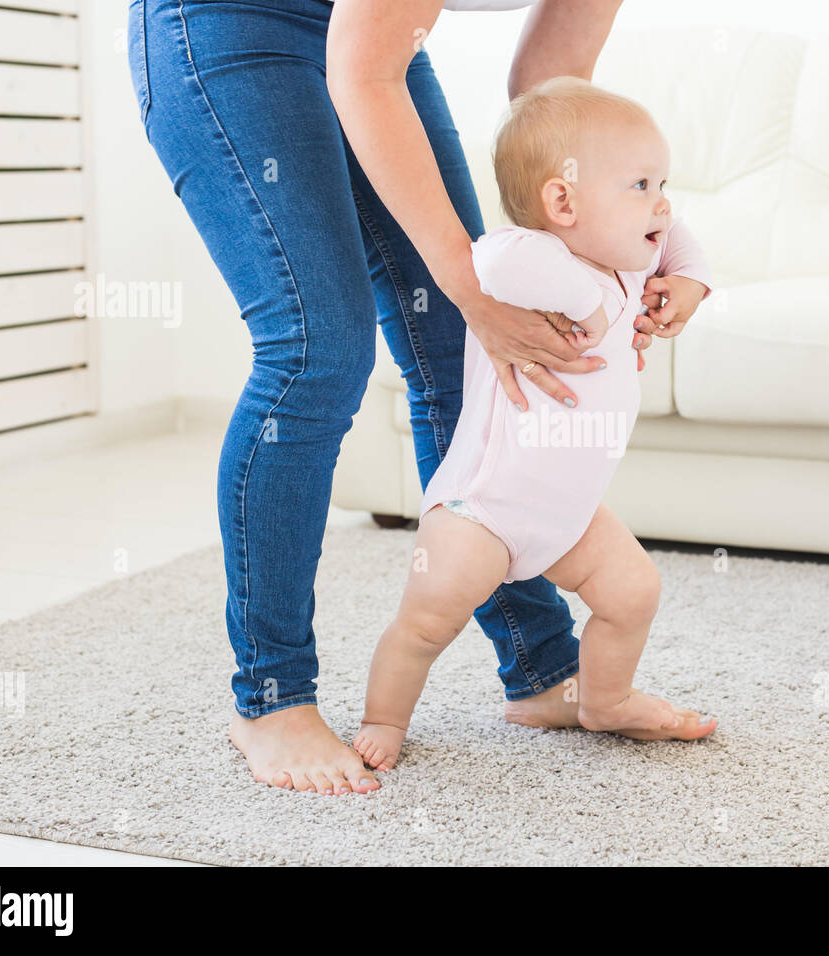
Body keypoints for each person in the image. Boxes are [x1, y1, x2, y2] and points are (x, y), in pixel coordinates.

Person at [127, 0, 708, 796]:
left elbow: (555, 99)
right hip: (233, 20)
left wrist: (625, 266)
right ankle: (271, 697)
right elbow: (361, 72)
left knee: (469, 355)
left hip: (377, 38)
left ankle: (541, 674)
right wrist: (485, 290)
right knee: (318, 350)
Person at [353, 77, 718, 772]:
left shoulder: (629, 262)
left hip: (568, 513)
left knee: (634, 592)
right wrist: (588, 300)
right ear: (562, 201)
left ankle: (603, 700)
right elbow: (489, 255)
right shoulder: (533, 263)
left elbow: (681, 240)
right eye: (642, 184)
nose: (664, 204)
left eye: (663, 182)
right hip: (482, 510)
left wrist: (690, 282)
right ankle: (384, 717)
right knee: (428, 624)